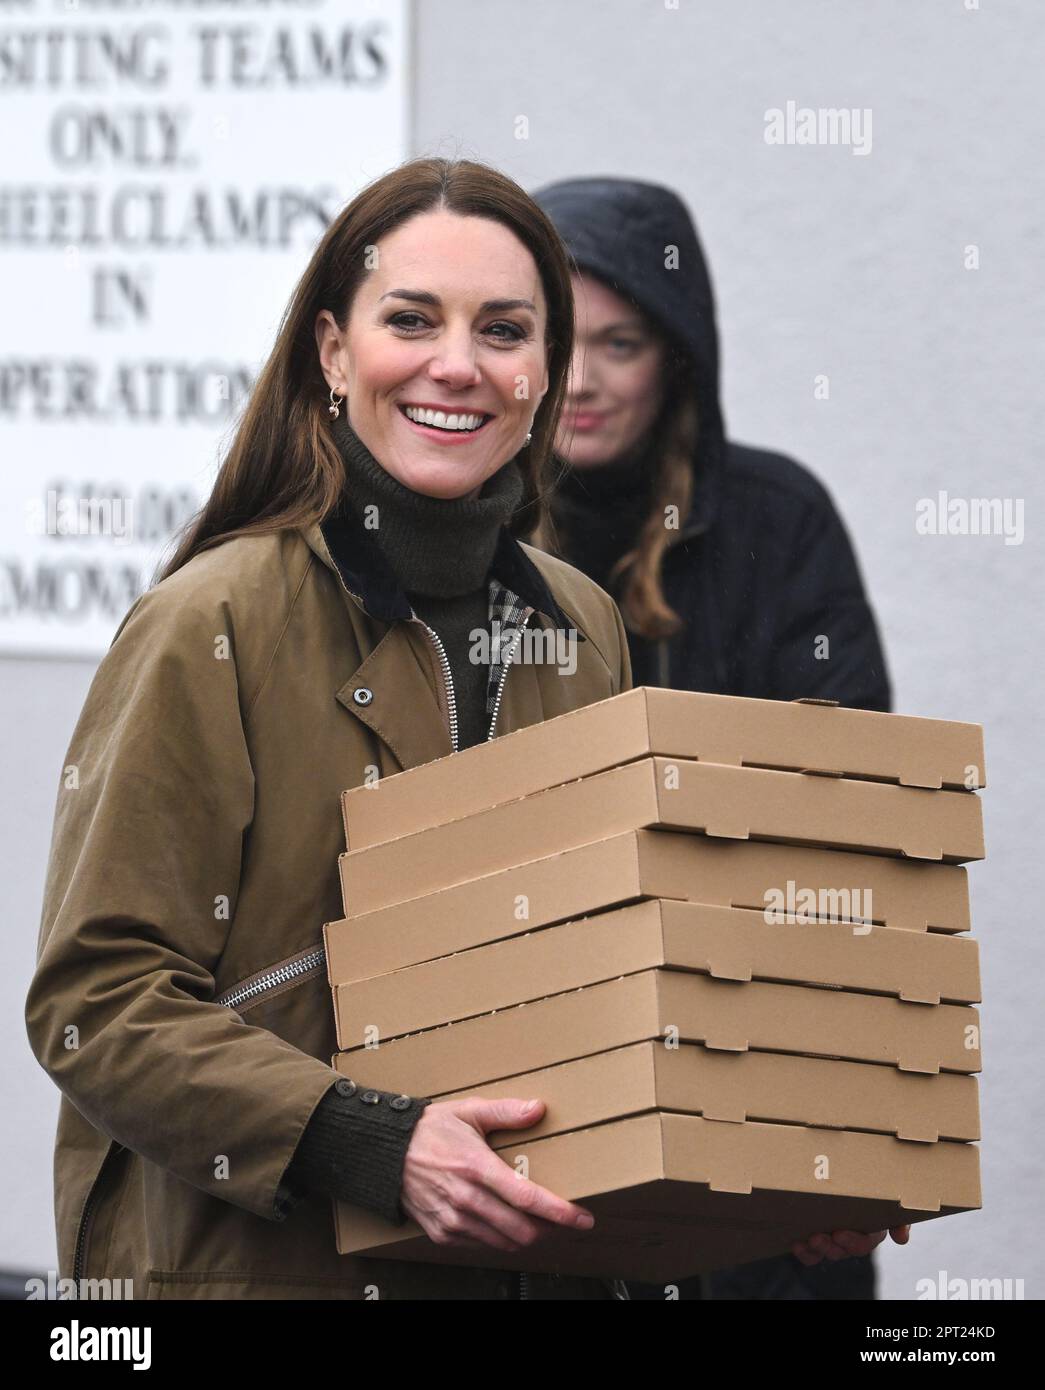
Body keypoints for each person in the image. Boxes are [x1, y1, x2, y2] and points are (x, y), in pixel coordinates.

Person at [25, 157, 904, 1302]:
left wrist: (788, 1169)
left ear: (540, 372)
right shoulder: (212, 619)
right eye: (411, 320)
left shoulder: (579, 623)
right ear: (334, 353)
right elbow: (99, 1004)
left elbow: (614, 969)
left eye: (503, 329)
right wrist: (373, 1142)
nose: (458, 364)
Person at [532, 175, 896, 1300]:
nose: (582, 381)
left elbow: (857, 837)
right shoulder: (464, 540)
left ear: (679, 354)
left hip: (764, 1120)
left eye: (621, 342)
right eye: (555, 337)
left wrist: (852, 1131)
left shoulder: (777, 521)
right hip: (531, 1131)